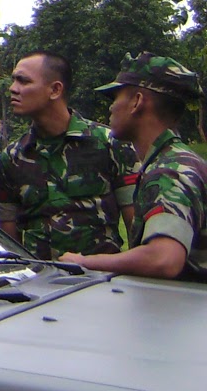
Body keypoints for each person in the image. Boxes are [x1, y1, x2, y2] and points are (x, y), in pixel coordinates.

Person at [63, 54, 207, 281]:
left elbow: (163, 259)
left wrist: (84, 262)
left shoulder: (169, 170)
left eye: (115, 96)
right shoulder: (179, 160)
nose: (111, 107)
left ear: (137, 102)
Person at [0, 52, 134, 260]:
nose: (13, 88)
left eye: (23, 81)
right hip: (40, 285)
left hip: (100, 281)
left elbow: (135, 224)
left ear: (55, 90)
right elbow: (8, 237)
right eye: (14, 80)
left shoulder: (109, 144)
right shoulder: (12, 157)